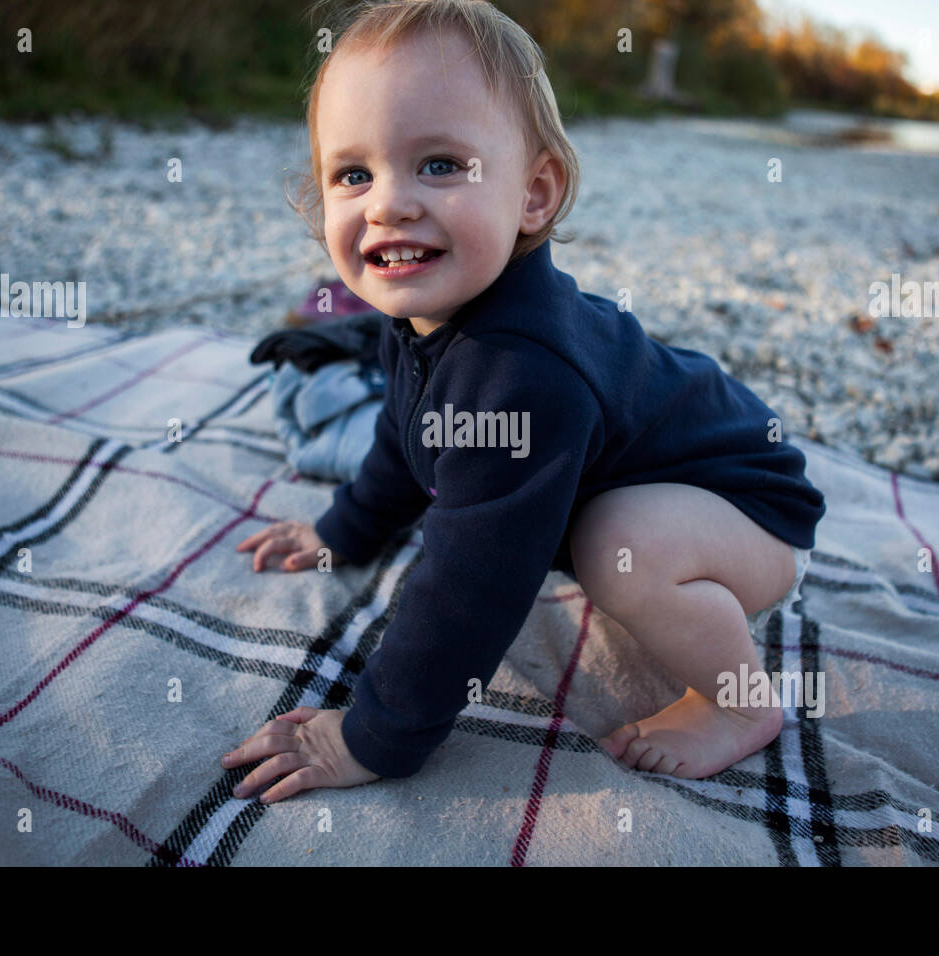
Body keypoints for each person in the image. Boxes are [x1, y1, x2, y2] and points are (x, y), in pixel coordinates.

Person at [228, 0, 825, 803]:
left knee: (619, 543)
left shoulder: (522, 373)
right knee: (601, 528)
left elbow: (472, 584)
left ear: (535, 194)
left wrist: (373, 735)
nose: (387, 203)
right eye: (354, 174)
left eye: (441, 165)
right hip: (691, 496)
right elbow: (405, 438)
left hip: (751, 513)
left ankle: (740, 703)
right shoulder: (417, 316)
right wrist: (344, 531)